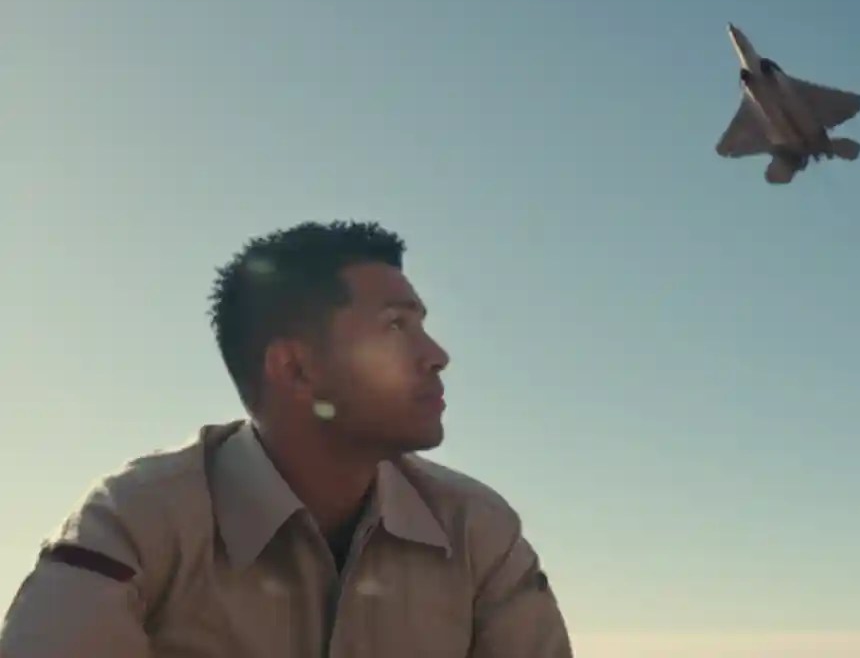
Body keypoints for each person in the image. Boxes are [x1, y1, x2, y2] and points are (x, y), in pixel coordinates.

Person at [0, 220, 573, 657]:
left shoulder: (478, 530)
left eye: (422, 324)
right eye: (397, 326)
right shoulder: (136, 519)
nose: (437, 356)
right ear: (297, 369)